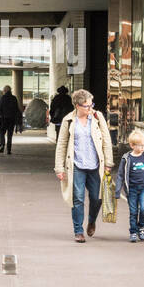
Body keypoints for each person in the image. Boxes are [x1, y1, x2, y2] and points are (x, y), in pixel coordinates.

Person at [55, 89, 113, 242]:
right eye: (86, 105)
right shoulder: (68, 121)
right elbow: (61, 145)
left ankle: (92, 220)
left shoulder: (97, 117)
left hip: (95, 165)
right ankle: (78, 231)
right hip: (77, 165)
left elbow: (106, 141)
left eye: (91, 104)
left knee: (97, 198)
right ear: (77, 105)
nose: (90, 108)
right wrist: (59, 168)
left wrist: (108, 163)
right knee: (78, 198)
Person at [114, 129, 144, 242]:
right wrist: (118, 191)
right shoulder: (127, 158)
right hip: (132, 189)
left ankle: (141, 227)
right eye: (139, 146)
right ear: (132, 145)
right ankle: (133, 231)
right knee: (133, 211)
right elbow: (120, 175)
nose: (142, 148)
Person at [0, 84, 21, 154]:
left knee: (2, 133)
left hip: (3, 119)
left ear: (4, 91)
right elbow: (17, 110)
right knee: (10, 135)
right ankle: (9, 149)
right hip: (12, 119)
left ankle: (2, 144)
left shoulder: (2, 98)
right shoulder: (14, 98)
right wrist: (18, 121)